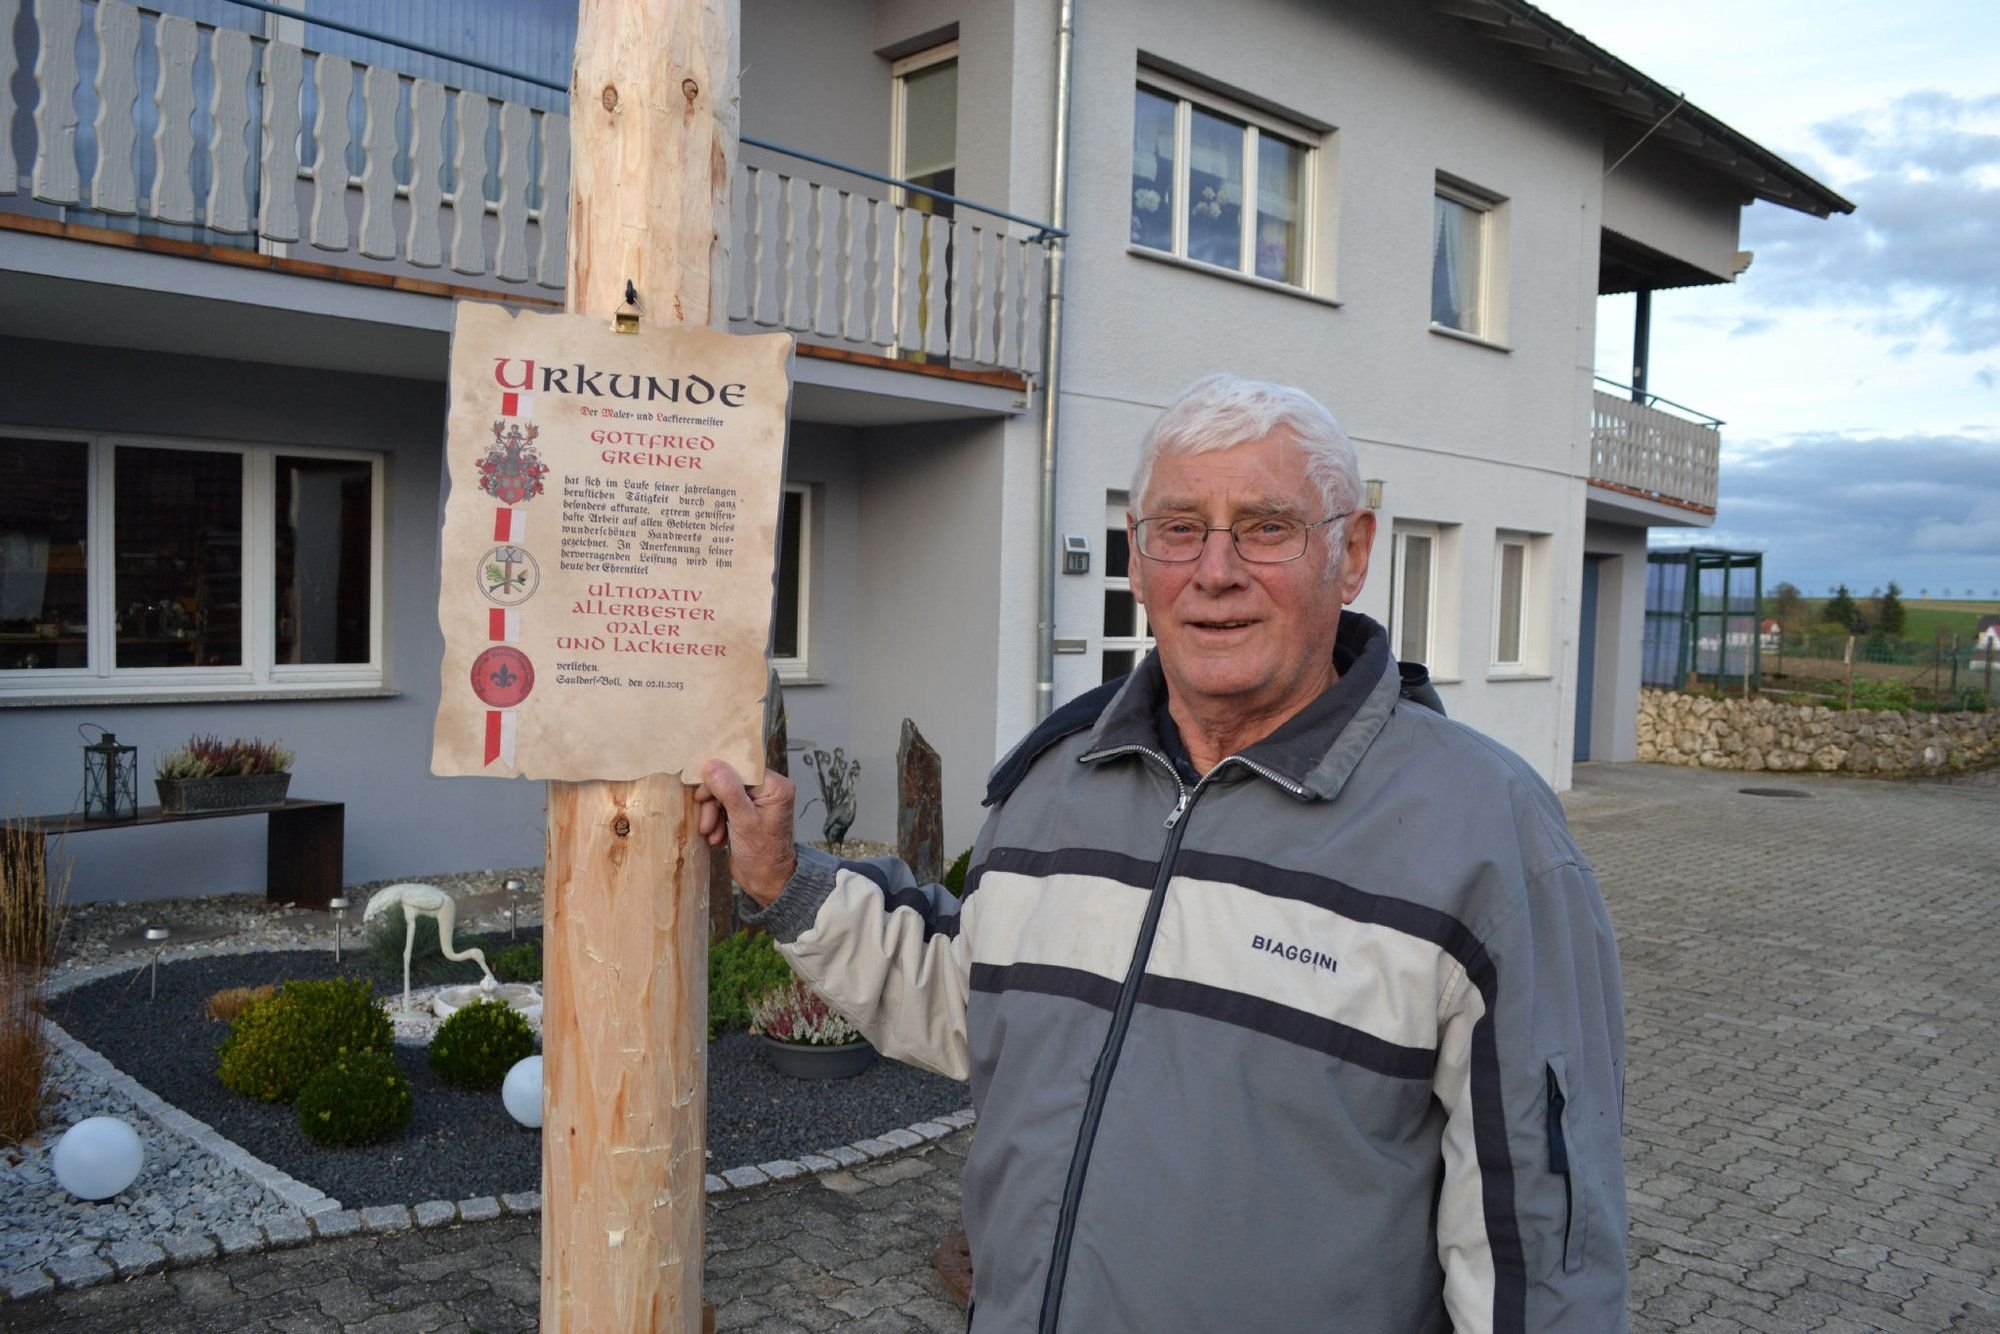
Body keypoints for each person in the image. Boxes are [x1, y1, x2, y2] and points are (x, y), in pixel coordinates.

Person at [698, 373, 1628, 1332]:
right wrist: (784, 877)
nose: (1214, 571)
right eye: (1178, 529)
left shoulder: (1483, 830)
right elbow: (975, 1010)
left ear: (1350, 556)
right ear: (1137, 562)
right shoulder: (1058, 783)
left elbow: (1536, 1249)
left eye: (1267, 527)